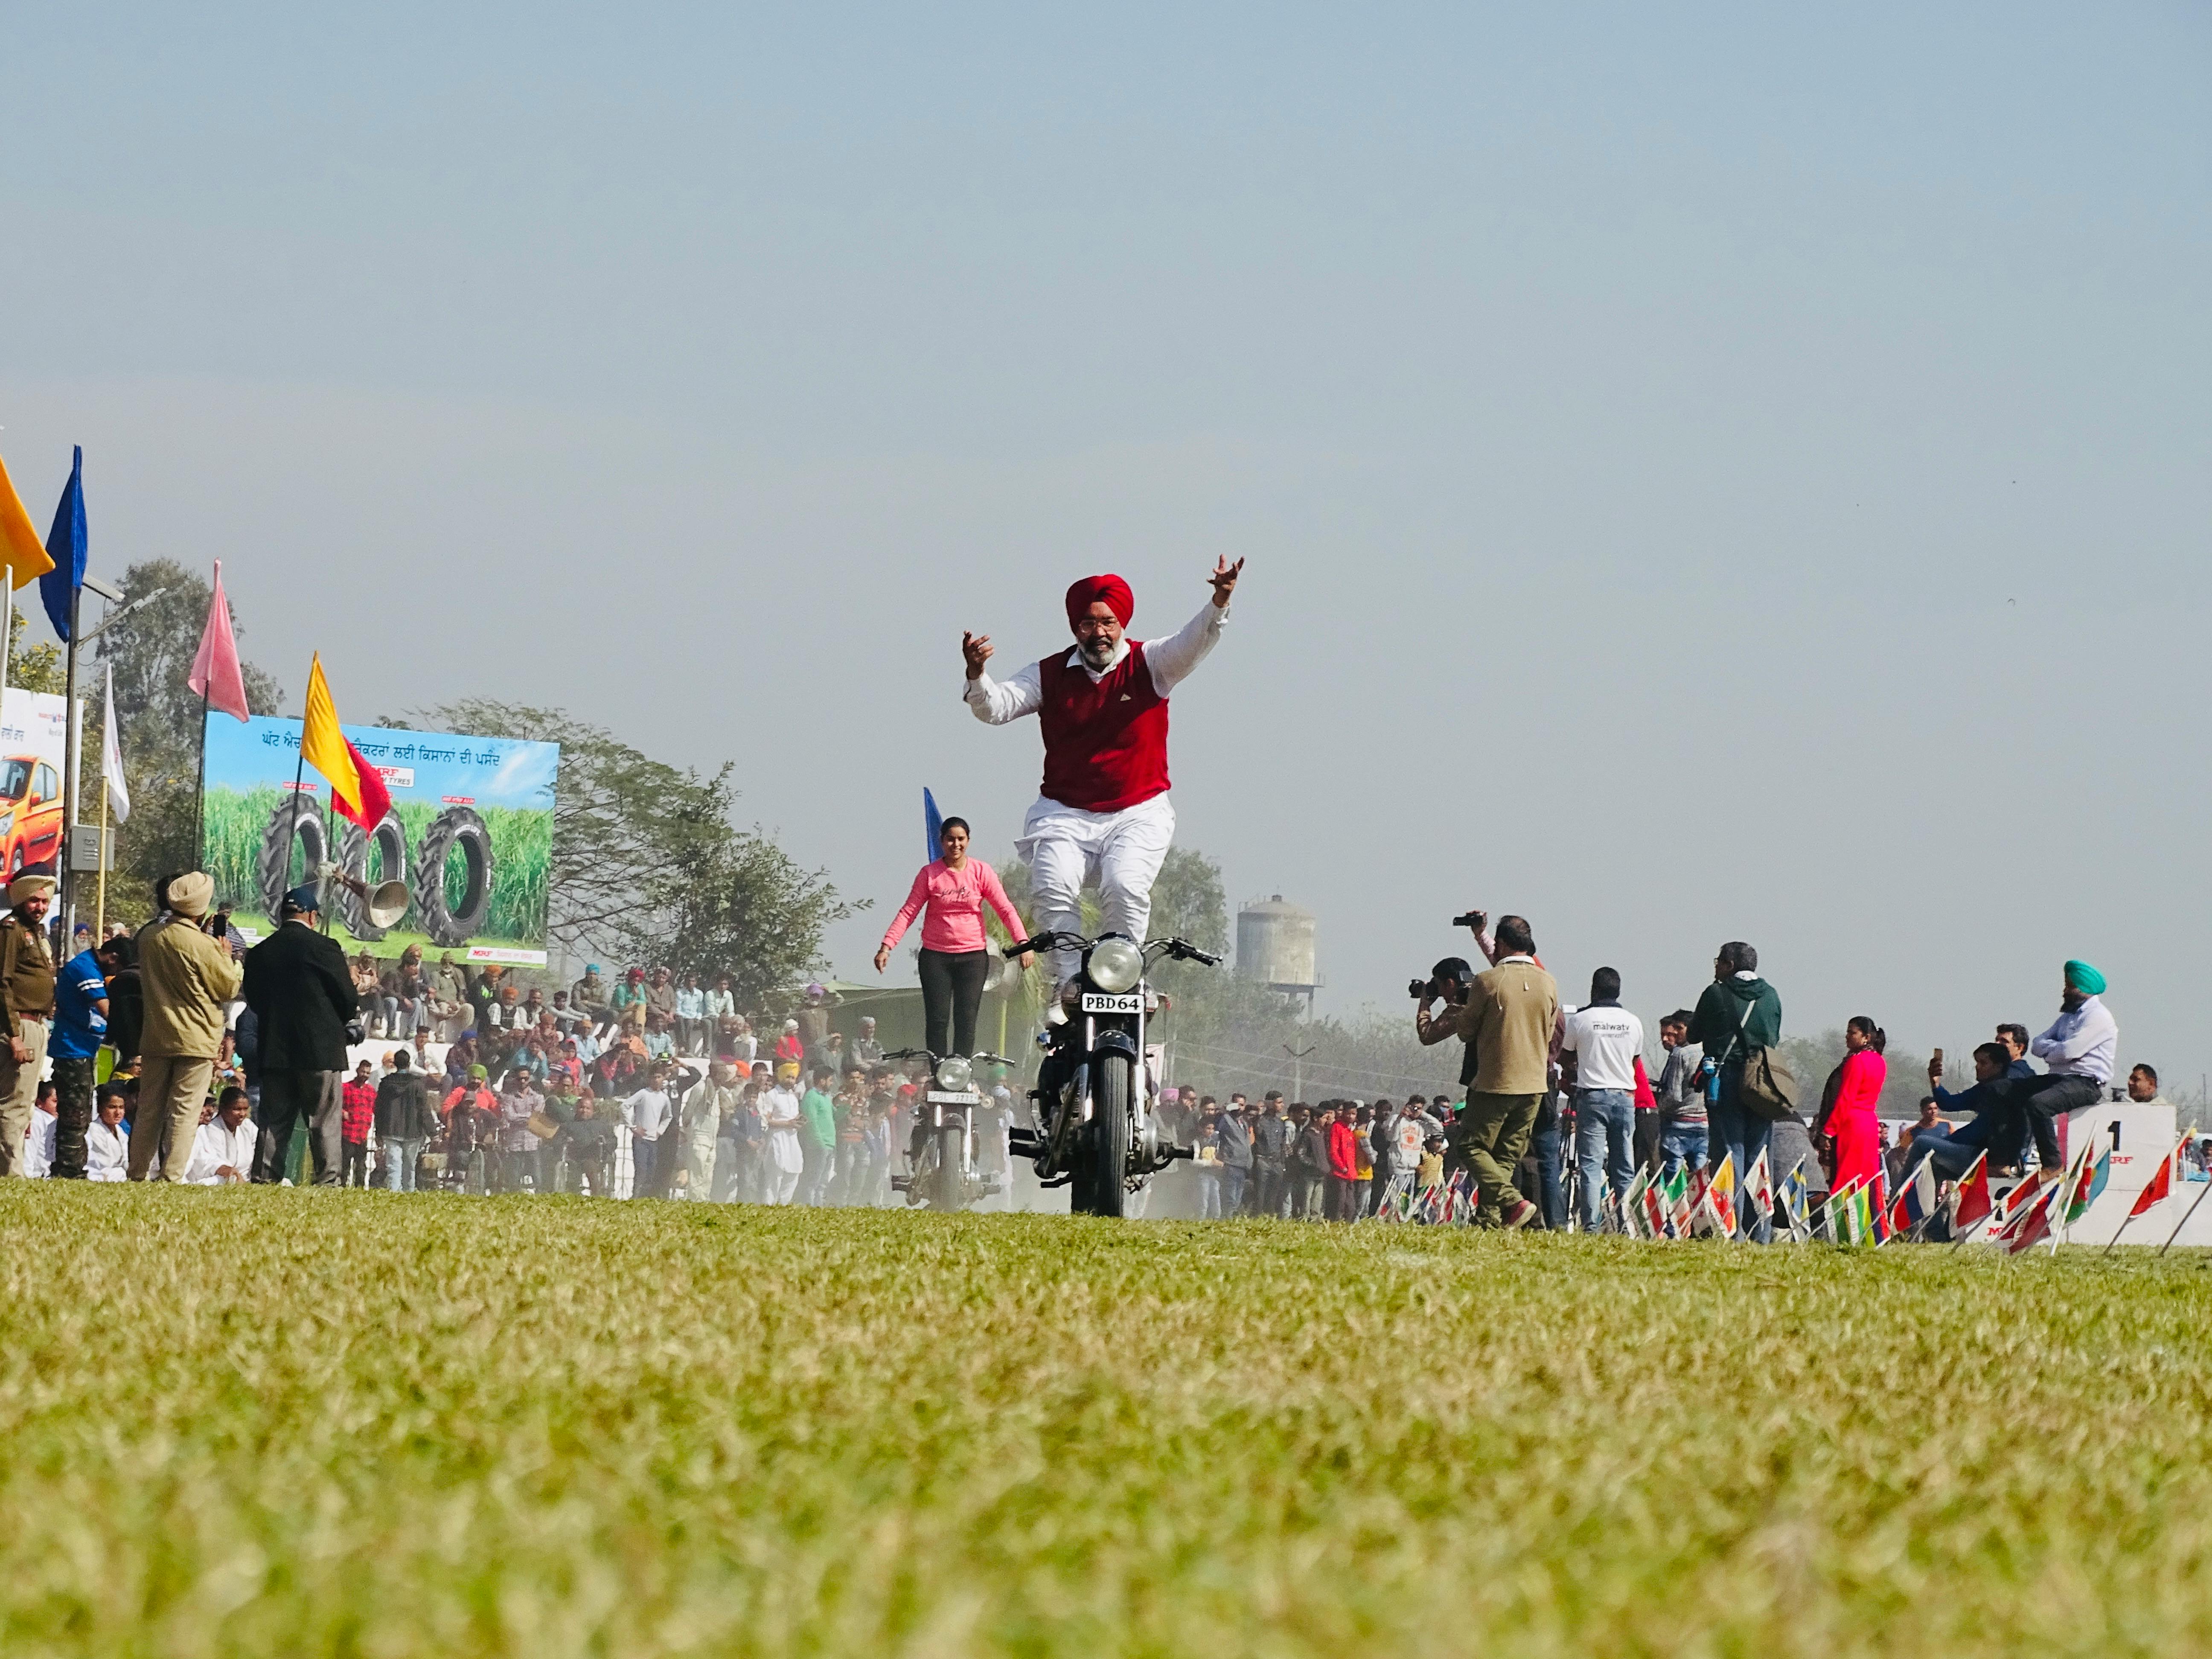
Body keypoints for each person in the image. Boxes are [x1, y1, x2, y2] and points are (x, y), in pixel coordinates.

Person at [961, 560, 1244, 982]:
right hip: (1063, 814)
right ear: (1075, 628)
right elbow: (995, 708)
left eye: (1108, 623)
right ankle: (1067, 988)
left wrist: (1219, 600)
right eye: (1089, 624)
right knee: (1053, 889)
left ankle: (1121, 981)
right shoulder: (1050, 674)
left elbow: (1193, 643)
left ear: (1122, 623)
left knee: (1124, 887)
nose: (1099, 633)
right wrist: (977, 674)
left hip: (1137, 811)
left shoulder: (1151, 664)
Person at [1417, 916, 1555, 1229]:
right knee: (1506, 1155)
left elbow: (1466, 1032)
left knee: (1471, 1146)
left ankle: (1513, 1202)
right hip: (1536, 1084)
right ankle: (1489, 1219)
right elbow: (1548, 1031)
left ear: (1502, 944)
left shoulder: (1488, 981)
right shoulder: (1548, 982)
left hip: (1497, 1081)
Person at [874, 818, 1032, 1060]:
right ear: (942, 841)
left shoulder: (981, 872)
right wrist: (887, 946)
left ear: (968, 841)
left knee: (966, 1019)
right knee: (938, 1019)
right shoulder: (930, 874)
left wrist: (1023, 943)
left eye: (961, 839)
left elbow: (1005, 909)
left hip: (973, 958)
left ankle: (961, 1069)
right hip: (936, 958)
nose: (956, 845)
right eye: (950, 839)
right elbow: (908, 912)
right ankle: (938, 1069)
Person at [242, 882, 361, 1186]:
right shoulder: (325, 947)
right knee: (324, 1121)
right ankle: (328, 1182)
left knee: (274, 1122)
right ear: (312, 916)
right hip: (320, 1050)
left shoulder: (260, 952)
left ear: (282, 915)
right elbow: (347, 998)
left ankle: (265, 1177)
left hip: (276, 1050)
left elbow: (254, 1000)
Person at [130, 872, 243, 1182]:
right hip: (196, 1038)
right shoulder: (203, 944)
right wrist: (227, 958)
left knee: (149, 1110)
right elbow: (228, 988)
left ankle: (137, 1173)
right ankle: (172, 1176)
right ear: (202, 908)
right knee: (185, 1112)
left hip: (156, 1035)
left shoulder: (150, 936)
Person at [1685, 941, 1783, 1242]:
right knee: (1758, 1155)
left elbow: (1694, 1034)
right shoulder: (1771, 995)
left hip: (1726, 1079)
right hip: (1762, 1082)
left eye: (1718, 962)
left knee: (1731, 1152)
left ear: (1729, 965)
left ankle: (1733, 1229)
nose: (1716, 967)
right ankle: (1760, 1232)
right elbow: (1774, 1037)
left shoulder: (1715, 993)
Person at [1562, 968, 1644, 1232]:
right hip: (1625, 1097)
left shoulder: (1581, 1020)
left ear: (1594, 990)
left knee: (1591, 1166)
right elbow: (1634, 1061)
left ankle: (1591, 1227)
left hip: (1593, 1096)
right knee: (1624, 1166)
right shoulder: (1633, 1022)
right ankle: (1627, 1225)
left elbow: (1565, 1056)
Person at [0, 867, 57, 1179]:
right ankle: (12, 1174)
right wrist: (14, 1035)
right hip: (20, 1025)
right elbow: (3, 983)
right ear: (22, 900)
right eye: (34, 901)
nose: (40, 907)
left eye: (45, 901)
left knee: (24, 1102)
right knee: (15, 1103)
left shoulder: (35, 933)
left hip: (36, 1024)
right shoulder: (12, 931)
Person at [44, 918, 110, 1180]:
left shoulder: (90, 965)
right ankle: (69, 1170)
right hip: (72, 1051)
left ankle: (71, 1167)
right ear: (112, 958)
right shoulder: (86, 969)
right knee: (75, 1113)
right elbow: (107, 1009)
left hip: (82, 1049)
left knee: (80, 1111)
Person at [1815, 1017, 1887, 1193]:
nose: (1847, 1037)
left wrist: (1828, 1132)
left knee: (1847, 1179)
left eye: (1852, 1033)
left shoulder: (1856, 1061)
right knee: (1865, 1179)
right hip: (1870, 1125)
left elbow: (1845, 1099)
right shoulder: (1879, 1061)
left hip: (1852, 1125)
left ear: (1866, 1037)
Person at [374, 1048, 436, 1192]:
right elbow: (424, 1110)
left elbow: (379, 1109)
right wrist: (432, 1132)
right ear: (409, 1064)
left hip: (390, 1129)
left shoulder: (386, 1083)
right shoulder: (417, 1084)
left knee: (393, 1164)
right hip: (413, 1130)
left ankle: (395, 1193)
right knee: (410, 1165)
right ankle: (409, 1192)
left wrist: (379, 1132)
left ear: (395, 1064)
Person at [183, 1087, 258, 1185]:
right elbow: (208, 1162)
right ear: (223, 1108)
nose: (243, 1114)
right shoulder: (211, 1129)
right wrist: (232, 1174)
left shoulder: (248, 1126)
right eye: (237, 1109)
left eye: (246, 1109)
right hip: (219, 1177)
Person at [761, 1063, 805, 1204]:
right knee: (775, 1176)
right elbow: (766, 1120)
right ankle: (769, 1207)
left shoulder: (793, 1097)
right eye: (788, 1077)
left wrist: (799, 1121)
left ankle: (785, 1206)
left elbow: (794, 1118)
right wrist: (787, 1124)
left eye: (793, 1078)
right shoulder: (772, 1095)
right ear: (781, 1077)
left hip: (792, 1138)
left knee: (795, 1171)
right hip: (777, 1138)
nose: (791, 1081)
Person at [340, 1058, 378, 1187]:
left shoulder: (371, 1091)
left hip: (363, 1135)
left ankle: (360, 1189)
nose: (365, 1075)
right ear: (357, 1071)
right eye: (363, 1072)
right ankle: (342, 1187)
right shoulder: (346, 1088)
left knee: (361, 1166)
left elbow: (376, 1110)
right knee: (345, 1164)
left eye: (368, 1073)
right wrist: (343, 1113)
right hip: (348, 1133)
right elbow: (336, 1105)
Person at [85, 1088, 128, 1181]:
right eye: (112, 1107)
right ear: (100, 1109)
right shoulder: (94, 1130)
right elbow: (104, 1164)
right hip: (99, 1175)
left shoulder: (121, 1132)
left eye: (121, 1107)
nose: (118, 1113)